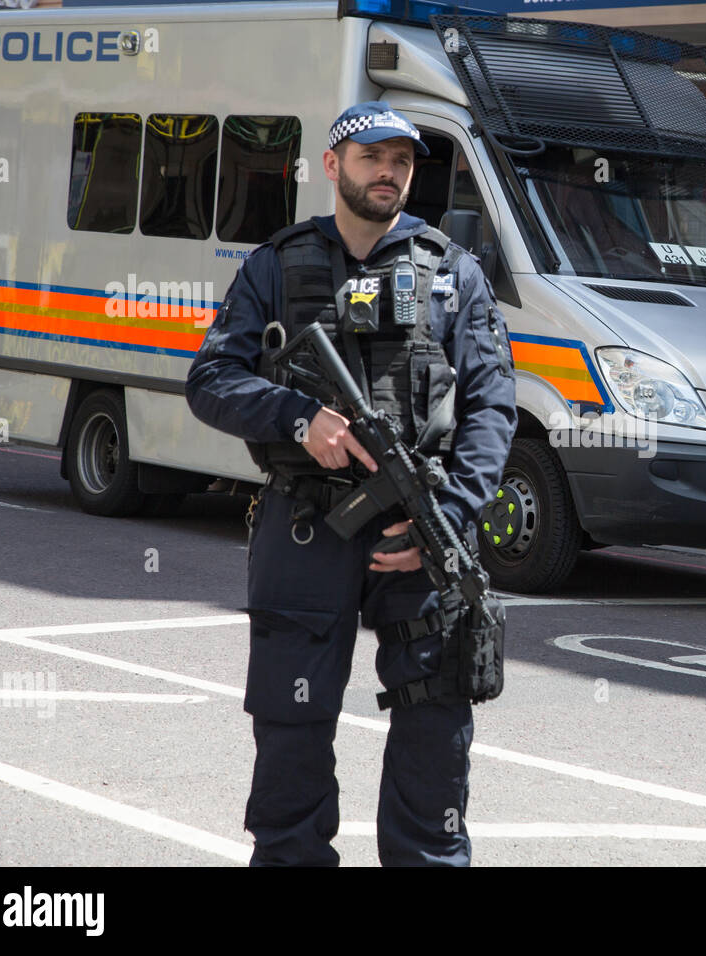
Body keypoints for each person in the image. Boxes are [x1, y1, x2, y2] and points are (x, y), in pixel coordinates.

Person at [185, 102, 516, 866]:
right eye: (373, 157)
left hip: (420, 530)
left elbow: (494, 409)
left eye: (402, 160)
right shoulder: (276, 264)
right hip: (305, 527)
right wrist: (300, 418)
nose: (390, 172)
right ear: (333, 166)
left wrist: (454, 514)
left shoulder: (453, 274)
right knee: (293, 730)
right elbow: (210, 381)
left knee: (436, 731)